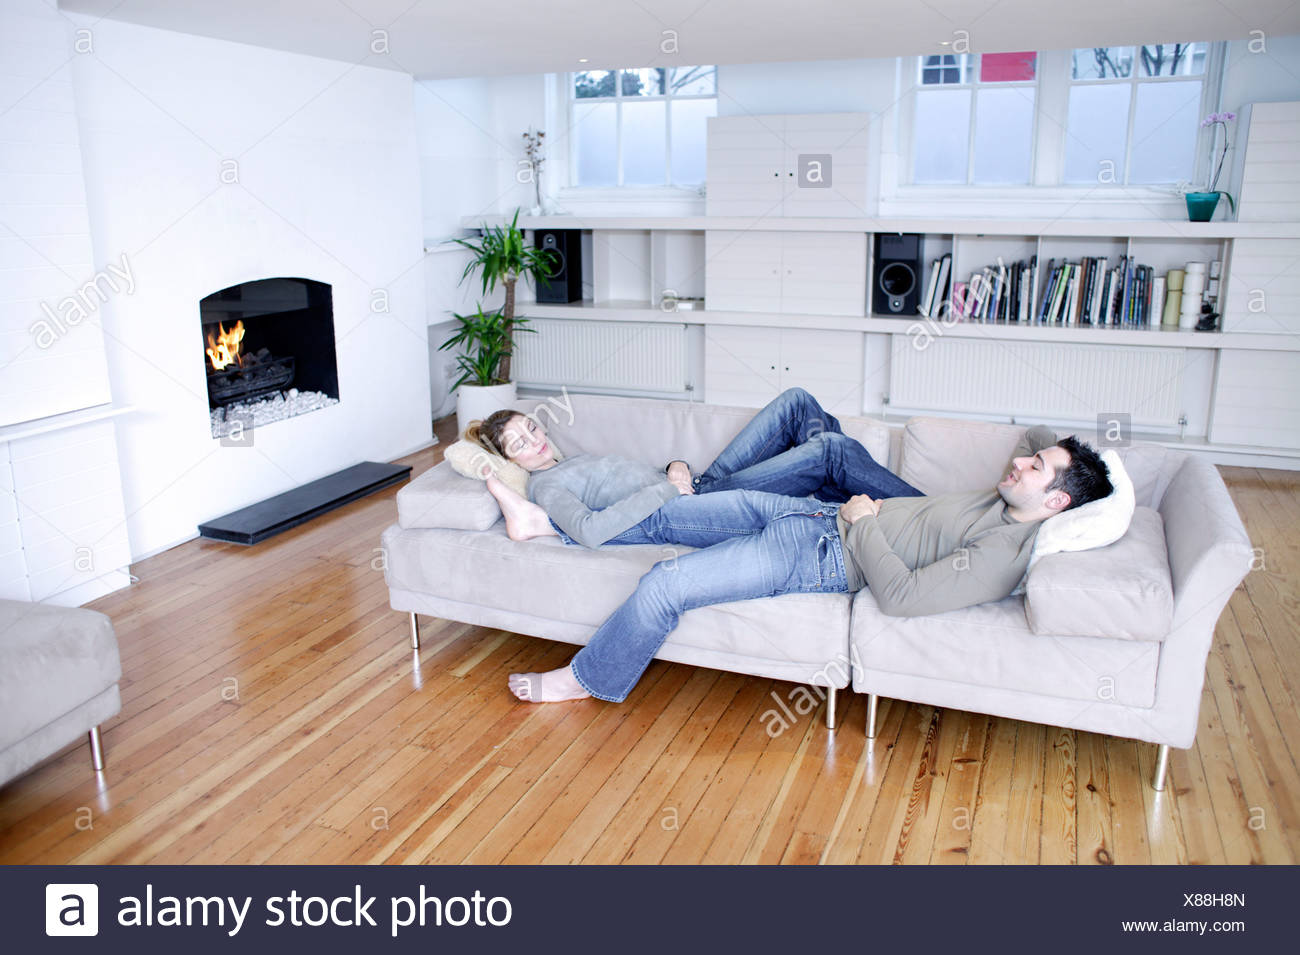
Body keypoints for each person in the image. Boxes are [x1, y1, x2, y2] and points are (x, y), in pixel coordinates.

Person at [501, 424, 1114, 704]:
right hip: (807, 513)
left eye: (1037, 468)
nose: (1021, 463)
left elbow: (902, 596)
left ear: (1056, 502)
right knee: (672, 514)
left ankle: (587, 679)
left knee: (665, 583)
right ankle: (549, 523)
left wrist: (863, 523)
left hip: (817, 553)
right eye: (1030, 460)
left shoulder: (1002, 555)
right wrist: (1098, 472)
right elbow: (1039, 436)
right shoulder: (1012, 496)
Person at [467, 388, 921, 548]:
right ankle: (928, 518)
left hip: (701, 481)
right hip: (700, 503)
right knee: (830, 450)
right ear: (509, 460)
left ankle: (837, 495)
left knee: (797, 402)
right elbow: (589, 530)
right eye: (519, 444)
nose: (534, 440)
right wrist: (669, 490)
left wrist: (675, 466)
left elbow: (644, 476)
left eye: (531, 427)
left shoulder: (572, 458)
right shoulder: (547, 487)